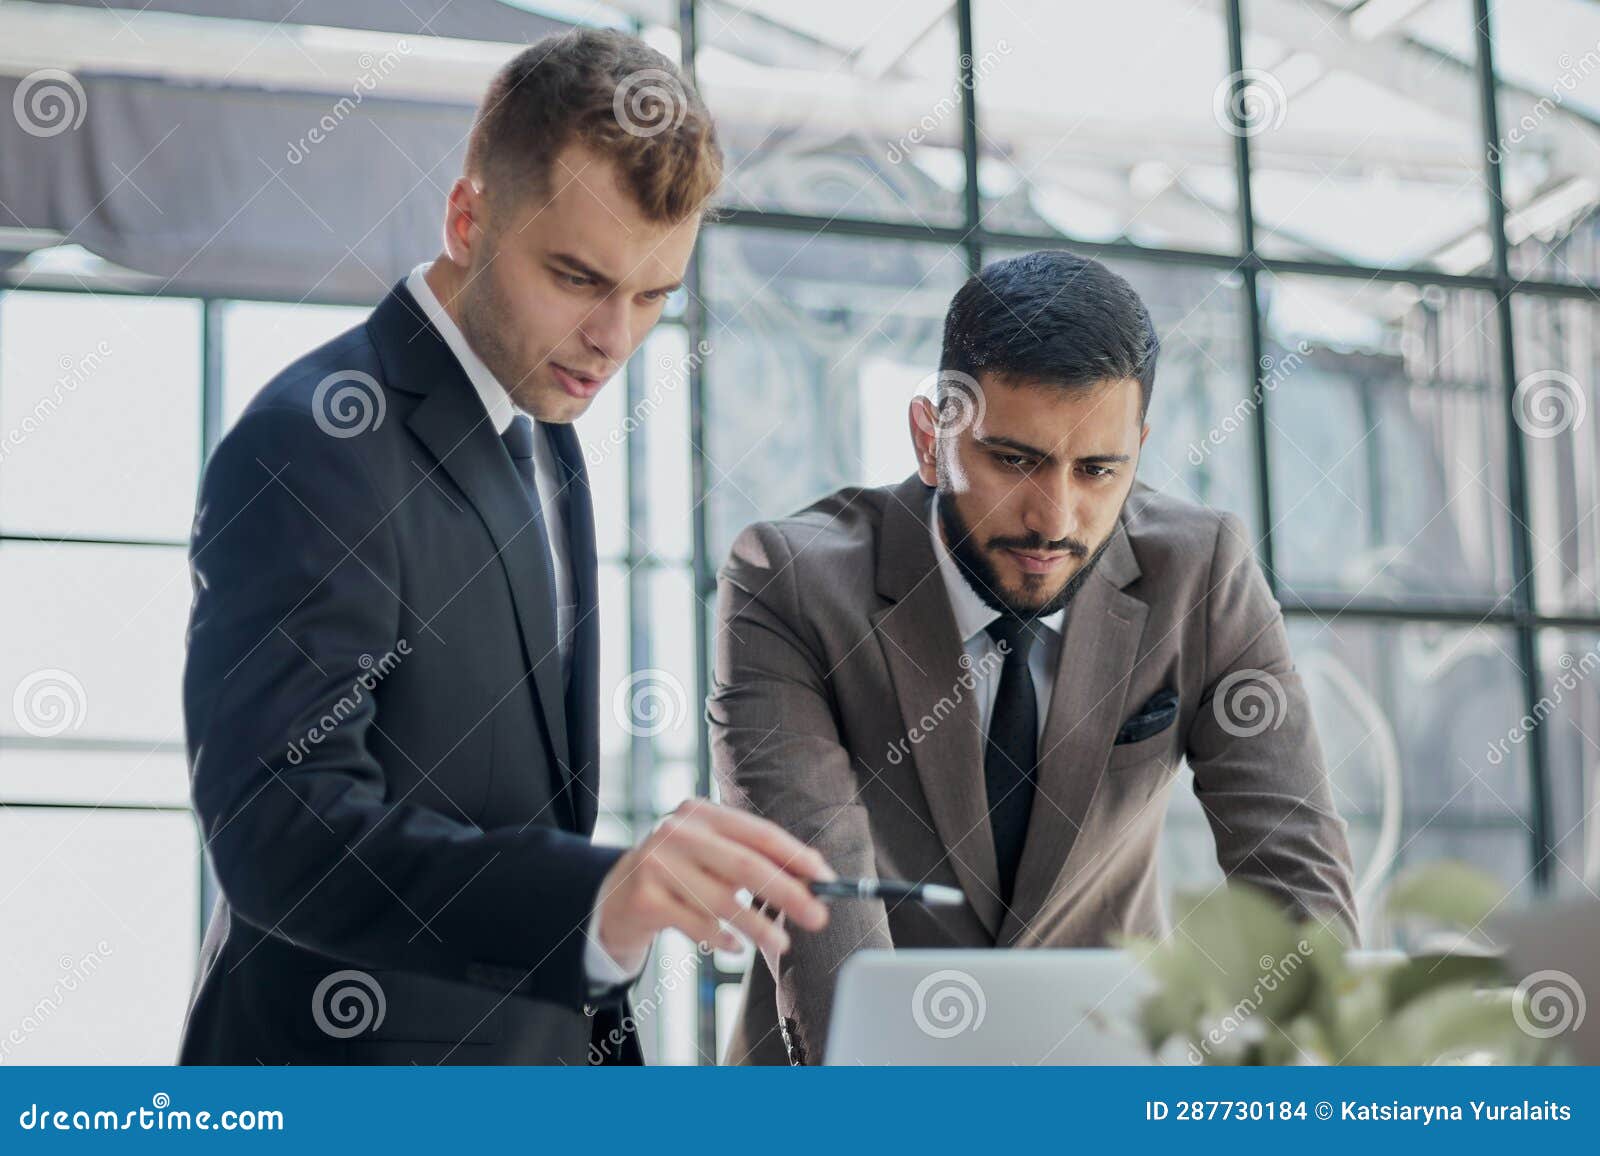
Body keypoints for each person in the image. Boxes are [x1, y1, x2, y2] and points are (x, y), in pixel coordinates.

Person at [178, 28, 832, 1066]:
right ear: (468, 219)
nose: (615, 338)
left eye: (654, 294)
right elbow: (278, 829)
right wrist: (596, 902)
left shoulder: (543, 434)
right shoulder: (315, 437)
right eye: (578, 277)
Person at [710, 250, 1358, 1065]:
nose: (1055, 518)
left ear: (1139, 451)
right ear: (929, 436)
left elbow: (1291, 870)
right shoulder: (791, 583)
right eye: (1014, 461)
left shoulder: (1202, 576)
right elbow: (817, 893)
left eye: (1097, 470)